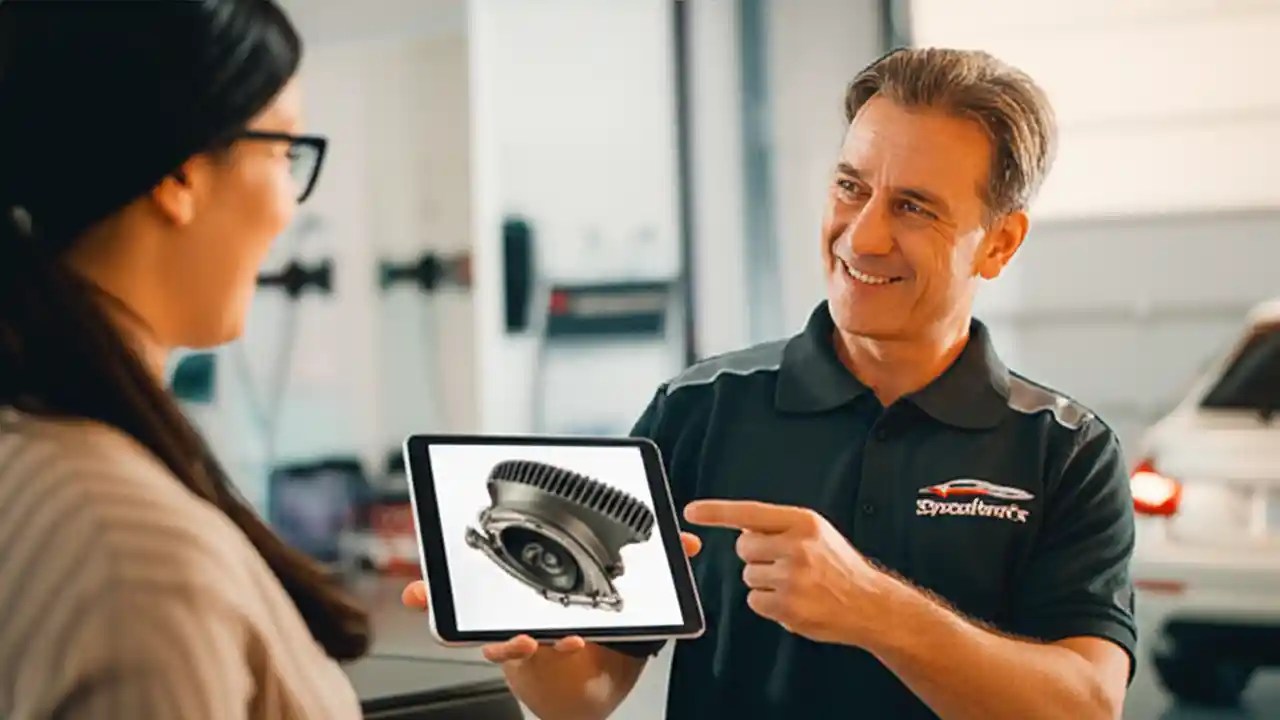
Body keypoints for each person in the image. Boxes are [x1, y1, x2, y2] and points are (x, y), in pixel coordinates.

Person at [404, 47, 1137, 718]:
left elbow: (1086, 705)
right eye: (852, 187)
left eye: (913, 207)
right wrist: (536, 652)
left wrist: (874, 607)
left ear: (1000, 242)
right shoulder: (701, 409)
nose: (863, 235)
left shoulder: (1064, 450)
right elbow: (589, 691)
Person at [0, 1, 368, 717]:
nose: (291, 207)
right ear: (181, 177)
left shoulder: (36, 453)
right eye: (283, 150)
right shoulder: (133, 558)